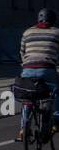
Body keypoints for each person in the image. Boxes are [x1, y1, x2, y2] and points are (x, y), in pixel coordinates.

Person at [17, 8, 59, 141]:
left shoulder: (27, 32)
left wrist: (26, 64)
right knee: (56, 92)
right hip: (47, 68)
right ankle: (56, 121)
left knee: (28, 97)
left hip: (28, 69)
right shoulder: (57, 32)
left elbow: (22, 52)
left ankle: (24, 128)